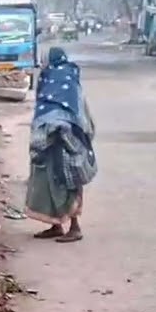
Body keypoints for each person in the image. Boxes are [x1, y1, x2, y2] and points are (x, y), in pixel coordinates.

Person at [25, 47, 97, 242]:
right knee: (49, 183)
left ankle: (75, 228)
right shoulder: (66, 76)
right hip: (53, 141)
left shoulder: (57, 78)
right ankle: (56, 225)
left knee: (67, 182)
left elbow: (60, 111)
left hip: (65, 141)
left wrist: (49, 135)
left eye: (44, 61)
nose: (42, 64)